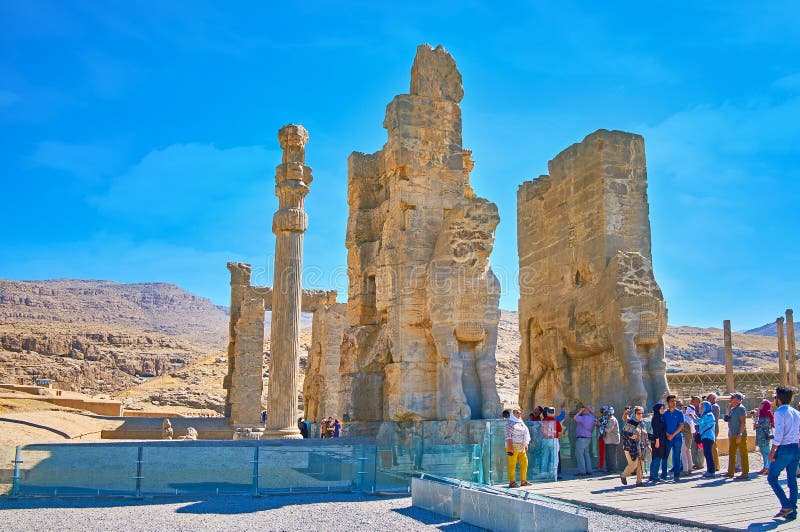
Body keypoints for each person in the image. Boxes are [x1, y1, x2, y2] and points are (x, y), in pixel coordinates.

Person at [768, 386, 800, 520]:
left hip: (784, 448)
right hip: (795, 448)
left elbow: (779, 434)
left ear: (779, 399)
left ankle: (786, 505)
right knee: (792, 480)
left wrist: (773, 450)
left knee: (772, 478)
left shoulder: (780, 412)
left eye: (775, 397)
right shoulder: (796, 412)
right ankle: (792, 511)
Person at [620, 406, 649, 486]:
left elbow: (645, 435)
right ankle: (623, 475)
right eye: (638, 413)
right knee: (633, 464)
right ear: (634, 414)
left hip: (640, 447)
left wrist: (648, 445)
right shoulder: (631, 422)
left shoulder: (642, 424)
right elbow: (624, 434)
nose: (640, 415)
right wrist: (631, 437)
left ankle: (639, 482)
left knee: (641, 463)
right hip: (629, 447)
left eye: (641, 413)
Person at [724, 392, 749, 479]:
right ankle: (730, 472)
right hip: (732, 434)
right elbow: (727, 419)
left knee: (743, 454)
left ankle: (745, 472)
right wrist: (727, 411)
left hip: (739, 434)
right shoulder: (732, 409)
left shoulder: (741, 409)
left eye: (733, 398)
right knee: (732, 453)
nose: (731, 400)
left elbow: (743, 422)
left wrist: (740, 434)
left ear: (738, 400)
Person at [505, 407, 531, 488]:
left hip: (521, 447)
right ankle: (512, 482)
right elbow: (508, 436)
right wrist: (509, 447)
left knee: (524, 462)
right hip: (512, 446)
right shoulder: (509, 423)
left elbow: (526, 433)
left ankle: (523, 481)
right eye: (517, 413)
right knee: (512, 464)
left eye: (520, 413)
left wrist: (526, 443)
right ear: (513, 414)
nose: (519, 414)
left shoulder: (521, 422)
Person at [663, 394, 685, 481]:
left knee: (676, 456)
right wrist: (667, 434)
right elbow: (662, 425)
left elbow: (681, 425)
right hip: (667, 438)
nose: (674, 403)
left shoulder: (679, 413)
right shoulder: (665, 414)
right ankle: (664, 474)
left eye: (675, 401)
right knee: (665, 456)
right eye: (672, 401)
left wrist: (673, 435)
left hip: (677, 438)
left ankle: (676, 475)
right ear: (668, 403)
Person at [540, 406, 562, 479]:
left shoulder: (543, 421)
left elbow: (541, 432)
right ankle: (553, 474)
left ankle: (543, 473)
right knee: (554, 458)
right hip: (554, 440)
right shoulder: (556, 422)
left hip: (545, 439)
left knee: (544, 457)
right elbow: (559, 433)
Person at [696, 400, 717, 477]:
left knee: (708, 454)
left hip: (708, 437)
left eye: (702, 407)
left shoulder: (708, 415)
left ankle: (711, 471)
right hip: (705, 436)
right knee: (707, 453)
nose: (700, 408)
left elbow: (698, 422)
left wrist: (692, 417)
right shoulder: (706, 415)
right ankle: (710, 470)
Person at [649, 402, 669, 481]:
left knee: (655, 457)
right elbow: (656, 430)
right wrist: (657, 441)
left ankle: (652, 475)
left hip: (660, 439)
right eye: (661, 408)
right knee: (657, 457)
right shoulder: (656, 418)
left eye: (663, 408)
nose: (663, 410)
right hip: (658, 440)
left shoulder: (659, 417)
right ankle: (654, 476)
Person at [574, 405, 595, 476]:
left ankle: (582, 471)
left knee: (579, 454)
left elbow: (575, 417)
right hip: (588, 438)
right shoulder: (592, 417)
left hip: (582, 438)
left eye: (585, 409)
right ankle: (589, 470)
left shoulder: (585, 417)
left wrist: (579, 411)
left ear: (588, 410)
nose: (583, 410)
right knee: (586, 454)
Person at [755, 399, 774, 474]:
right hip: (760, 435)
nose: (760, 404)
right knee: (763, 452)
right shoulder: (761, 413)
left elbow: (766, 424)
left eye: (762, 403)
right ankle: (765, 467)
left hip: (765, 436)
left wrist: (758, 425)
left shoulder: (767, 413)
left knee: (767, 452)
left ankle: (769, 467)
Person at [688, 396, 705, 470]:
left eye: (693, 400)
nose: (691, 401)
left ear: (698, 401)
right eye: (691, 400)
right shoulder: (690, 410)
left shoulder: (701, 410)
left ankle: (700, 464)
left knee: (700, 449)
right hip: (692, 433)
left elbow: (701, 421)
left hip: (699, 433)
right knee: (693, 449)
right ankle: (695, 463)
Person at [602, 406, 620, 473]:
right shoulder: (608, 419)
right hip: (608, 440)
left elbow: (609, 430)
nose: (604, 413)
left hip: (613, 441)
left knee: (612, 456)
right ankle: (609, 469)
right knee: (608, 456)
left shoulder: (612, 419)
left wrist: (601, 426)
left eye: (605, 411)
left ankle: (613, 469)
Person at [706, 392, 721, 470]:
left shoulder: (714, 407)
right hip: (710, 429)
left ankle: (715, 465)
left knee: (713, 447)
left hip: (713, 429)